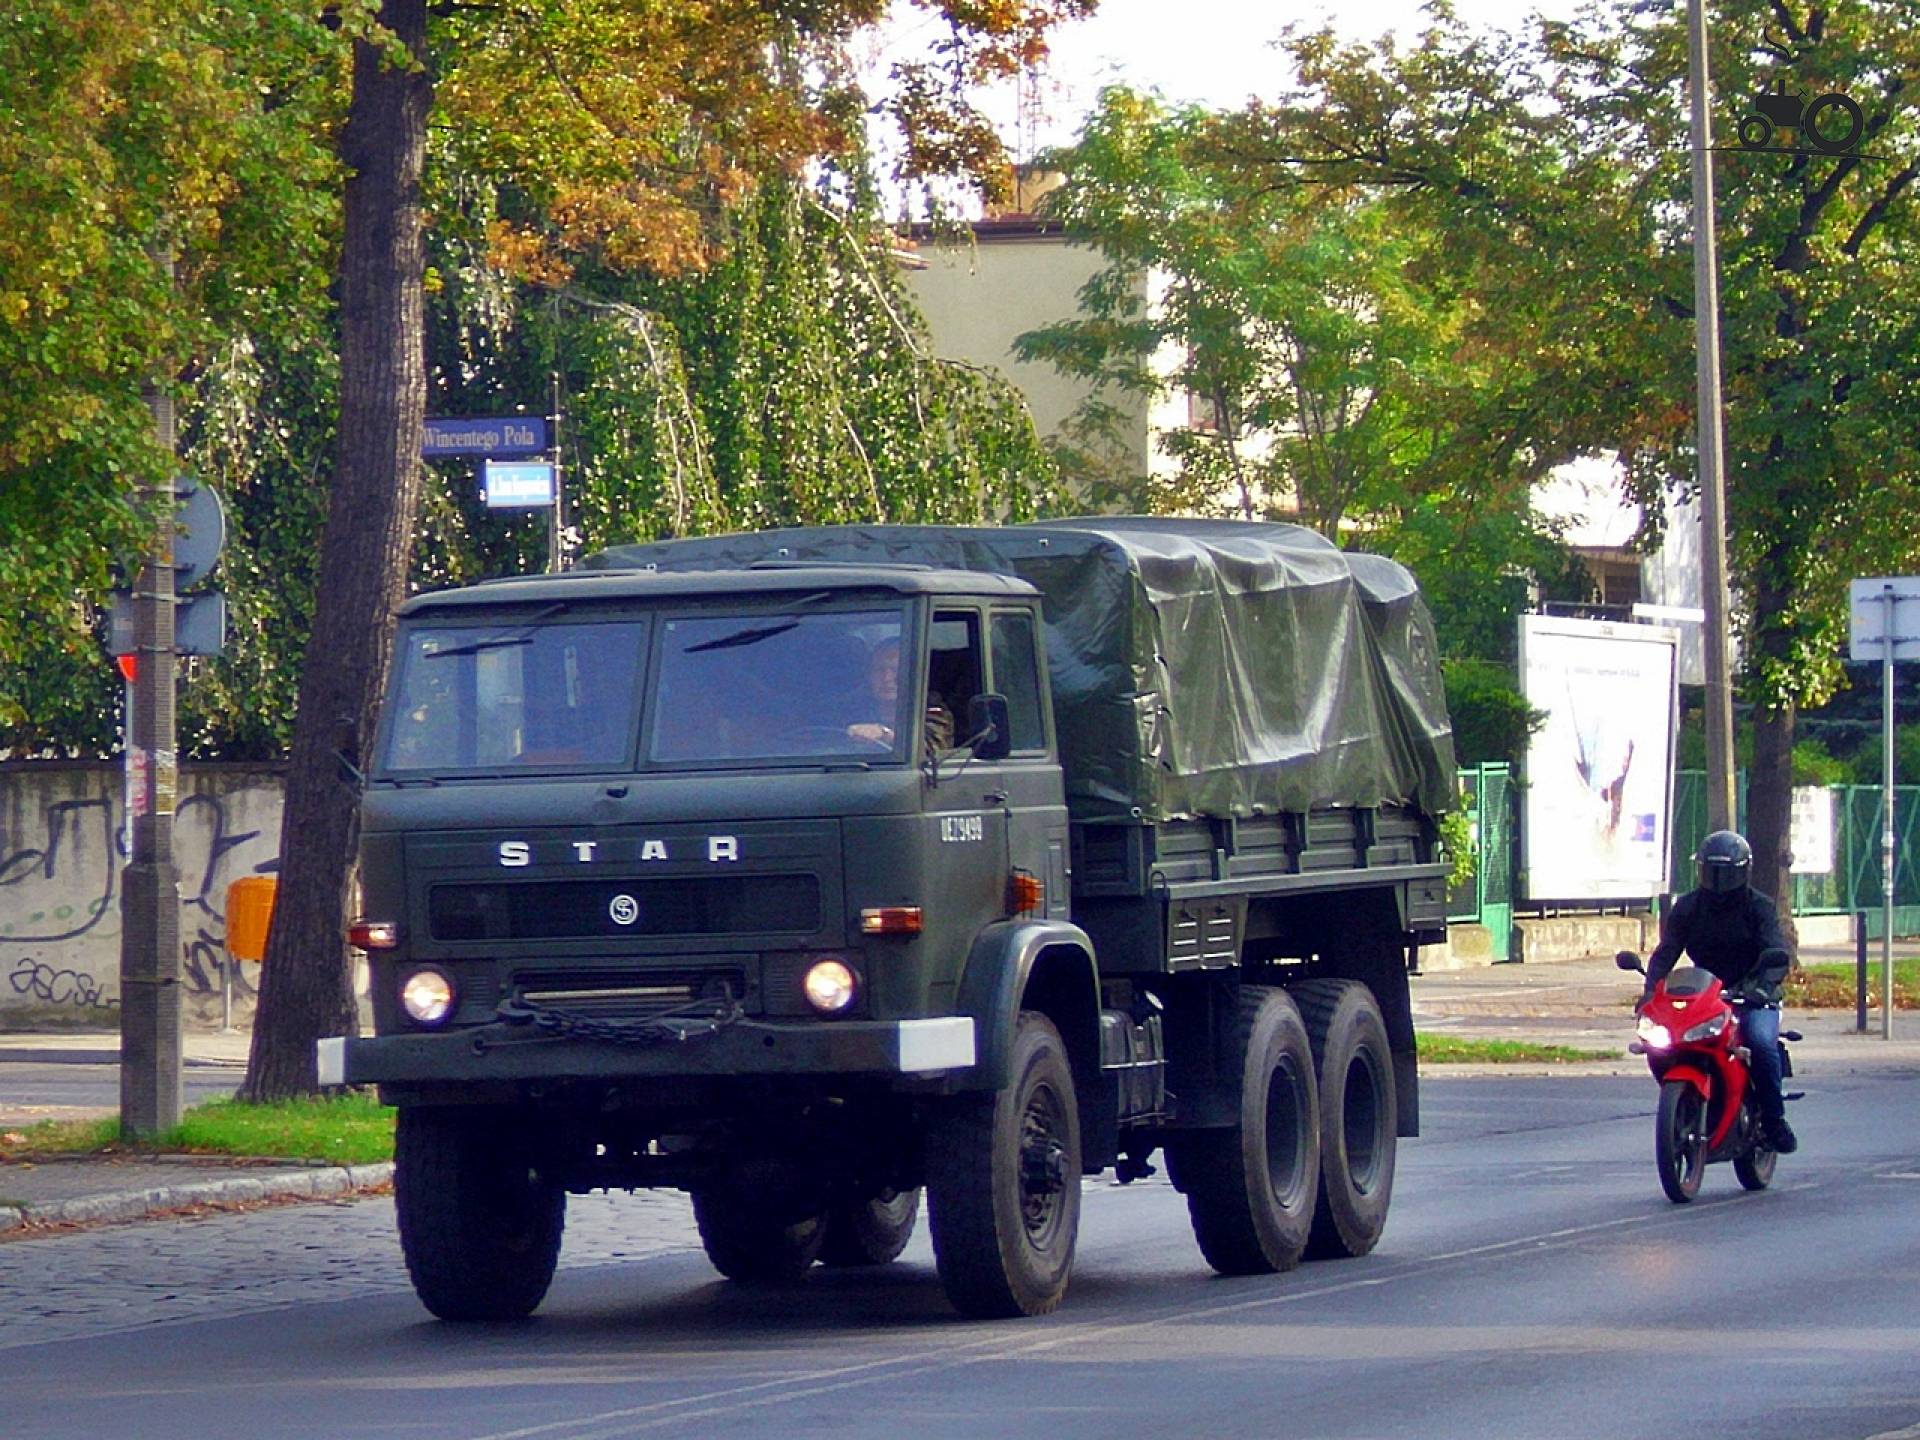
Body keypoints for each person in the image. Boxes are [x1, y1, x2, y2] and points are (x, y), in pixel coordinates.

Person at [1642, 829, 1798, 1153]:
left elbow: (1776, 954)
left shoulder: (1759, 907)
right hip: (1706, 996)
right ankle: (1689, 1103)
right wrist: (1650, 991)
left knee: (1760, 1043)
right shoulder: (1688, 907)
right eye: (1711, 871)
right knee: (1666, 1040)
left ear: (1742, 872)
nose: (1717, 880)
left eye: (1725, 873)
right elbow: (1666, 952)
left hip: (1753, 995)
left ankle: (1773, 1121)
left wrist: (1762, 987)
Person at [848, 638, 954, 752]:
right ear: (869, 675)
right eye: (879, 670)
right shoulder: (849, 709)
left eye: (895, 669)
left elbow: (932, 749)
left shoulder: (931, 709)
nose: (887, 678)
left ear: (912, 674)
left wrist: (885, 734)